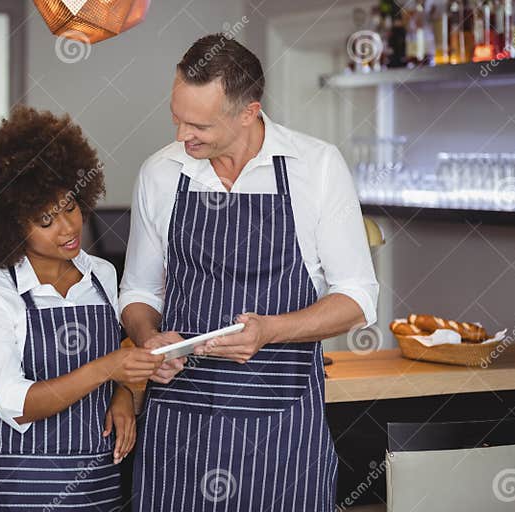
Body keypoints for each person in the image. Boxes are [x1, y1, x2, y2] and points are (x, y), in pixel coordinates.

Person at [120, 35, 380, 510]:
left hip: (281, 429)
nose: (182, 136)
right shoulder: (159, 173)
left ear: (248, 111)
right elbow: (138, 290)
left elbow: (358, 299)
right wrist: (147, 336)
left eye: (198, 124)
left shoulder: (317, 168)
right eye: (176, 118)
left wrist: (270, 331)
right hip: (180, 425)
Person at [0, 105, 164, 512]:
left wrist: (120, 392)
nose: (67, 227)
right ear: (10, 225)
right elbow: (15, 403)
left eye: (69, 207)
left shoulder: (100, 274)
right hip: (24, 489)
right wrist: (109, 369)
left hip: (99, 482)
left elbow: (117, 352)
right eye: (45, 220)